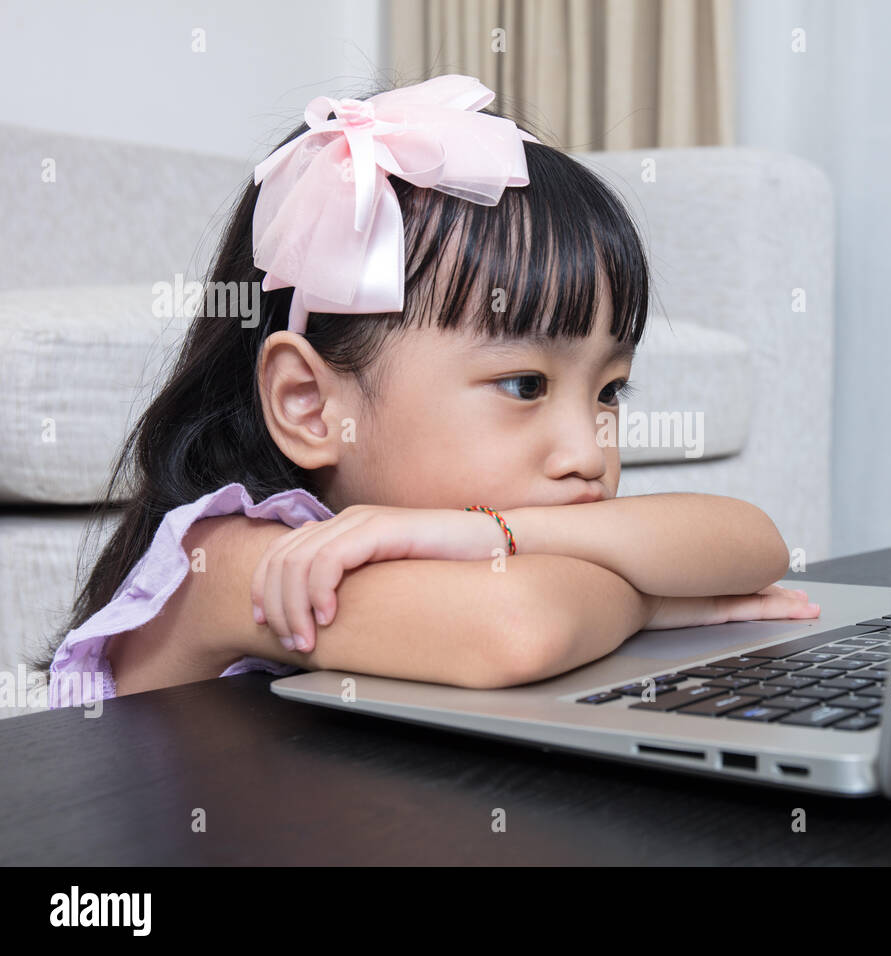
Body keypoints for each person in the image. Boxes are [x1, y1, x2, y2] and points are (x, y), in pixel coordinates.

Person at [33, 74, 819, 710]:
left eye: (610, 390)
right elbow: (519, 627)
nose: (588, 451)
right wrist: (648, 600)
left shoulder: (507, 515)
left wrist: (486, 534)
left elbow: (753, 544)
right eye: (524, 383)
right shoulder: (231, 560)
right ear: (311, 405)